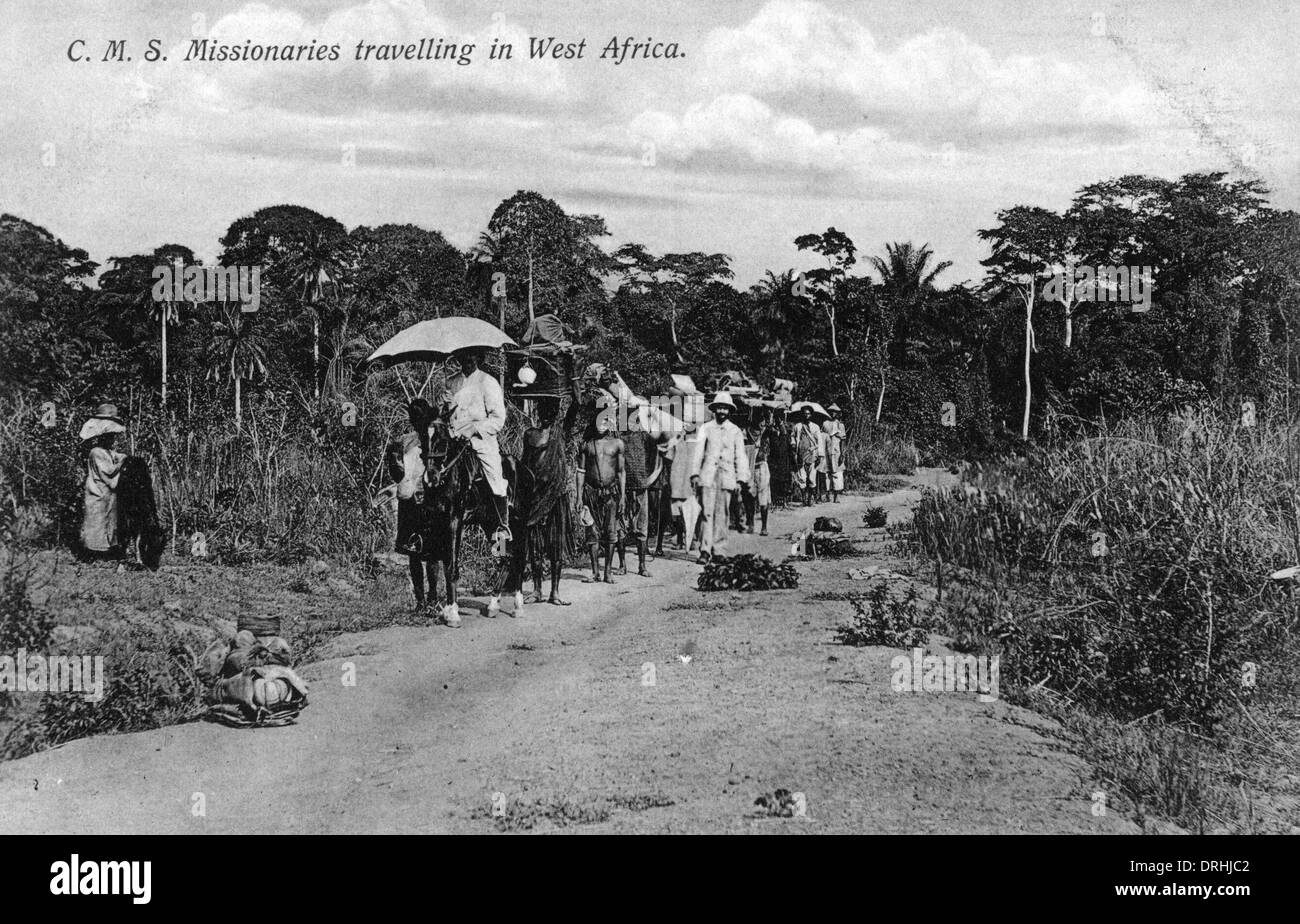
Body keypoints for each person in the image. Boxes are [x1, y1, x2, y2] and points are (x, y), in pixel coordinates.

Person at [512, 391, 579, 608]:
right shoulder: (530, 434)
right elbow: (524, 465)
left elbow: (577, 405)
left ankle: (555, 592)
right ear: (539, 411)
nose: (548, 413)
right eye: (545, 409)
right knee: (535, 545)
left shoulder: (560, 431)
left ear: (557, 412)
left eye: (553, 409)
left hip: (556, 496)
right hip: (534, 497)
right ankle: (538, 590)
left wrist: (575, 380)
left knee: (556, 544)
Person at [443, 347, 510, 543]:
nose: (468, 360)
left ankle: (502, 526)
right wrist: (443, 404)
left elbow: (498, 419)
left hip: (480, 441)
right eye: (464, 356)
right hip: (454, 439)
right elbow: (444, 418)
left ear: (479, 357)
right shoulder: (451, 382)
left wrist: (474, 429)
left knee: (495, 477)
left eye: (473, 355)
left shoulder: (488, 382)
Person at [691, 392, 749, 563]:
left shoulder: (735, 431)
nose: (722, 411)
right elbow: (698, 452)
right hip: (708, 475)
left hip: (726, 475)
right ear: (715, 409)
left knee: (722, 514)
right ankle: (705, 550)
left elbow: (741, 455)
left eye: (725, 408)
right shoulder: (706, 428)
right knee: (706, 513)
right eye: (719, 408)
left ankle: (719, 550)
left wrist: (740, 478)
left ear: (729, 411)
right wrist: (695, 473)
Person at [386, 400, 434, 606]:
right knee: (414, 552)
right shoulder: (404, 441)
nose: (417, 422)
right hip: (409, 500)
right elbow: (396, 472)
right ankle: (422, 600)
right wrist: (394, 457)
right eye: (415, 418)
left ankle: (432, 598)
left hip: (430, 502)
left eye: (420, 417)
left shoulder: (435, 439)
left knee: (431, 552)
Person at [578, 416, 625, 583]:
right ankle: (595, 572)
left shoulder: (617, 444)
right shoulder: (586, 445)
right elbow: (581, 471)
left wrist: (623, 496)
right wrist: (578, 496)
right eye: (598, 421)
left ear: (610, 423)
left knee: (611, 533)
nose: (601, 426)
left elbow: (620, 472)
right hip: (590, 494)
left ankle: (608, 572)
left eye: (605, 422)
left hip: (611, 494)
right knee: (592, 533)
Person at [78, 403, 128, 558]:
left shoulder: (107, 452)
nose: (112, 439)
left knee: (109, 520)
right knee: (96, 521)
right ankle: (92, 553)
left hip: (107, 492)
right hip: (97, 491)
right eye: (109, 436)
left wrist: (122, 458)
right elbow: (109, 470)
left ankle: (106, 550)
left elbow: (115, 458)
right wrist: (121, 462)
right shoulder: (96, 452)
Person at [664, 421, 702, 553]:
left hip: (692, 482)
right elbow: (668, 457)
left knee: (694, 510)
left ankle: (693, 539)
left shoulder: (700, 441)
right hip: (677, 481)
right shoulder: (677, 439)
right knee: (677, 512)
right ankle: (680, 539)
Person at [745, 410, 773, 535]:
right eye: (761, 421)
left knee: (762, 497)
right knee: (750, 497)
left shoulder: (765, 432)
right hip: (750, 467)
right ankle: (752, 524)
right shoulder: (747, 432)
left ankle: (763, 527)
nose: (763, 423)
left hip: (761, 467)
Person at [790, 404, 823, 507]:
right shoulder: (797, 426)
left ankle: (811, 498)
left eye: (808, 414)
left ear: (811, 415)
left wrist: (820, 456)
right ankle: (804, 498)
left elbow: (820, 442)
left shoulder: (815, 427)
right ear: (802, 415)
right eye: (805, 414)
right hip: (800, 454)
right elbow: (793, 437)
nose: (806, 416)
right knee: (802, 477)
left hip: (812, 454)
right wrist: (794, 445)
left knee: (812, 478)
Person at [823, 403, 846, 503]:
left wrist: (843, 454)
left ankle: (836, 495)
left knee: (837, 473)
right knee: (826, 473)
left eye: (835, 412)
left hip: (836, 452)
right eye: (831, 411)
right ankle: (828, 494)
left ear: (838, 414)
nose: (833, 413)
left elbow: (843, 441)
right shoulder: (825, 424)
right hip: (826, 451)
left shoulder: (840, 425)